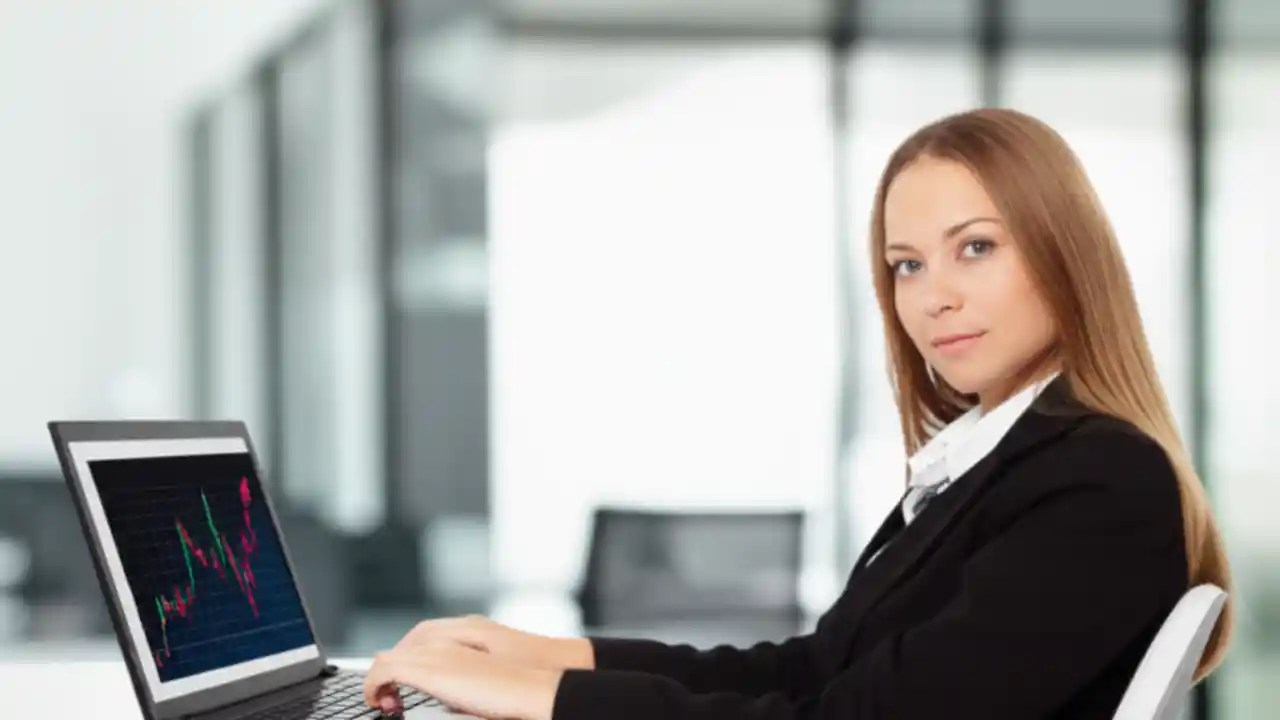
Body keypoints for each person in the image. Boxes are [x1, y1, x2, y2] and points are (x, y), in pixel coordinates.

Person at [361, 108, 1235, 719]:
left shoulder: (1099, 483)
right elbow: (813, 669)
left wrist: (550, 702)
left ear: (1062, 249)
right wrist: (546, 657)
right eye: (907, 265)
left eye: (976, 247)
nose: (935, 297)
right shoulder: (988, 463)